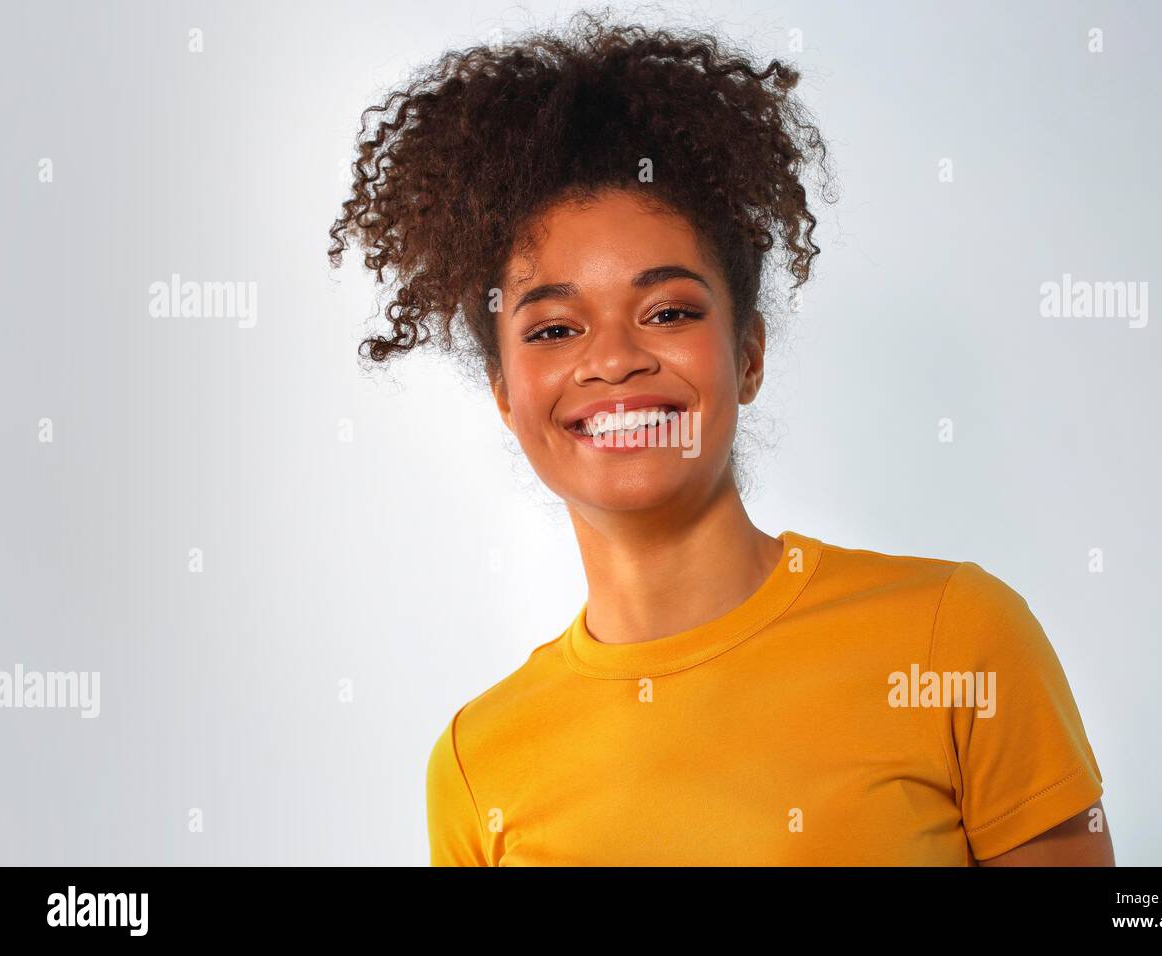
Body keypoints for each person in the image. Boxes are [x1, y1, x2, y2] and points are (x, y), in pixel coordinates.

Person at [328, 10, 1112, 866]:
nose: (615, 358)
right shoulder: (476, 765)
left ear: (748, 355)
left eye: (668, 312)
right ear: (505, 396)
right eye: (554, 329)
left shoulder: (955, 638)